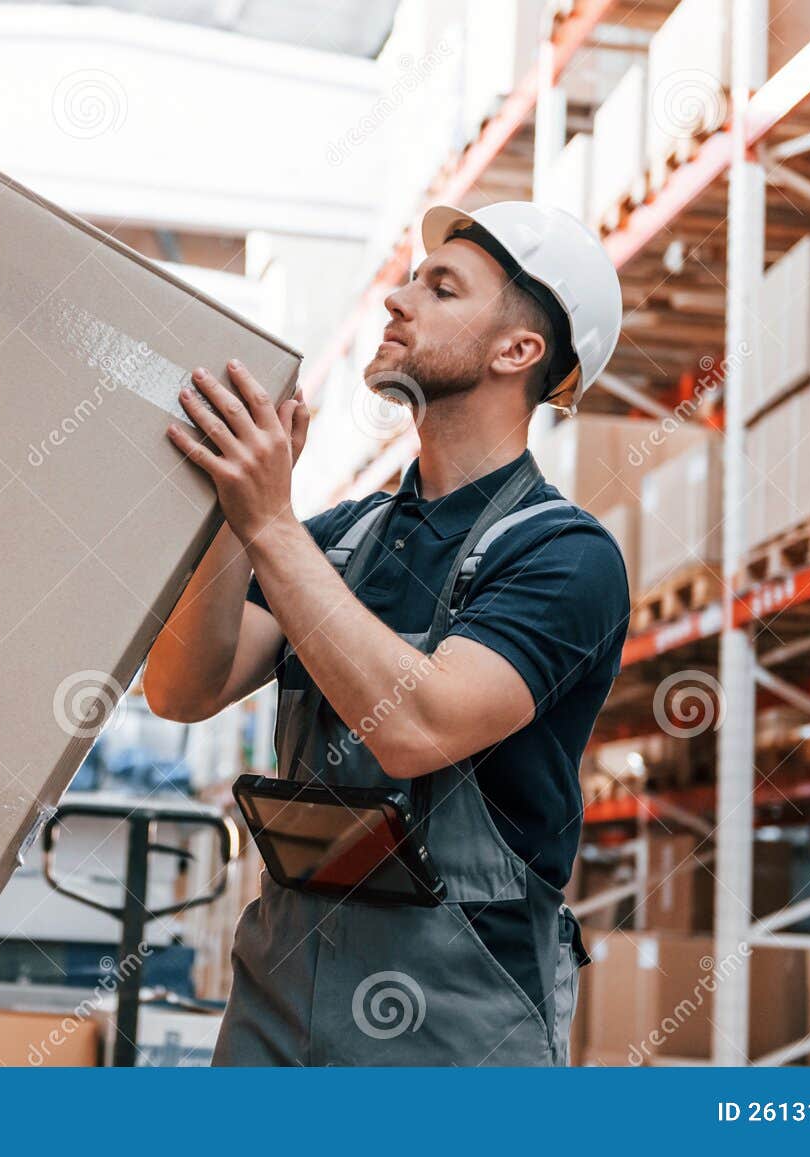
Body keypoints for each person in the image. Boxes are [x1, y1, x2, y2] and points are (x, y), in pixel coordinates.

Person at [142, 201, 629, 1066]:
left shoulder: (565, 557)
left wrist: (272, 526)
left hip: (456, 1021)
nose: (399, 301)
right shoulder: (341, 538)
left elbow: (414, 728)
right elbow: (184, 689)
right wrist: (230, 512)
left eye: (441, 288)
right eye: (409, 279)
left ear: (517, 352)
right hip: (280, 991)